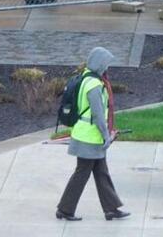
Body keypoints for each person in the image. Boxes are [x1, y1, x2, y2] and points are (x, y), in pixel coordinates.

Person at [56, 47, 130, 221]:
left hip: (86, 135)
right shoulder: (95, 85)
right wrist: (106, 135)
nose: (107, 68)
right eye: (106, 64)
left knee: (101, 172)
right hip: (89, 137)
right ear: (99, 64)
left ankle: (111, 209)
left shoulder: (86, 78)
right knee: (82, 173)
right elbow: (97, 115)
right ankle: (65, 210)